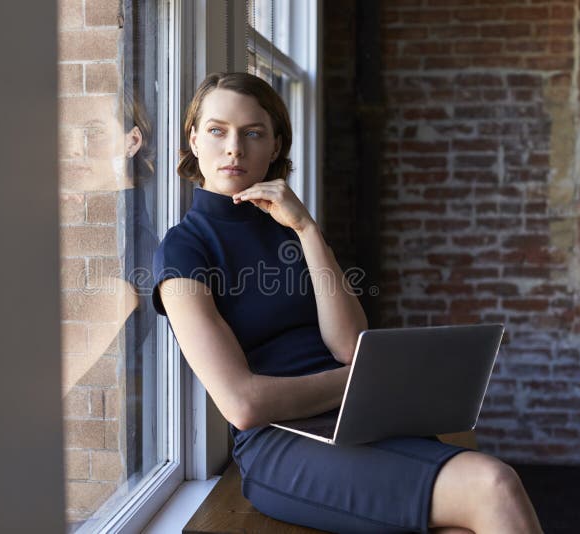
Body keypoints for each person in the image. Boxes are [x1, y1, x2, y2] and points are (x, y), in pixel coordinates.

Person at [151, 72, 543, 534]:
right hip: (281, 445)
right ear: (193, 139)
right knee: (493, 485)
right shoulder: (181, 251)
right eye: (217, 130)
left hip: (358, 420)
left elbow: (350, 347)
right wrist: (365, 380)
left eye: (253, 133)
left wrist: (308, 231)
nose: (234, 147)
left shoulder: (291, 230)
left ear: (275, 146)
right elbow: (242, 404)